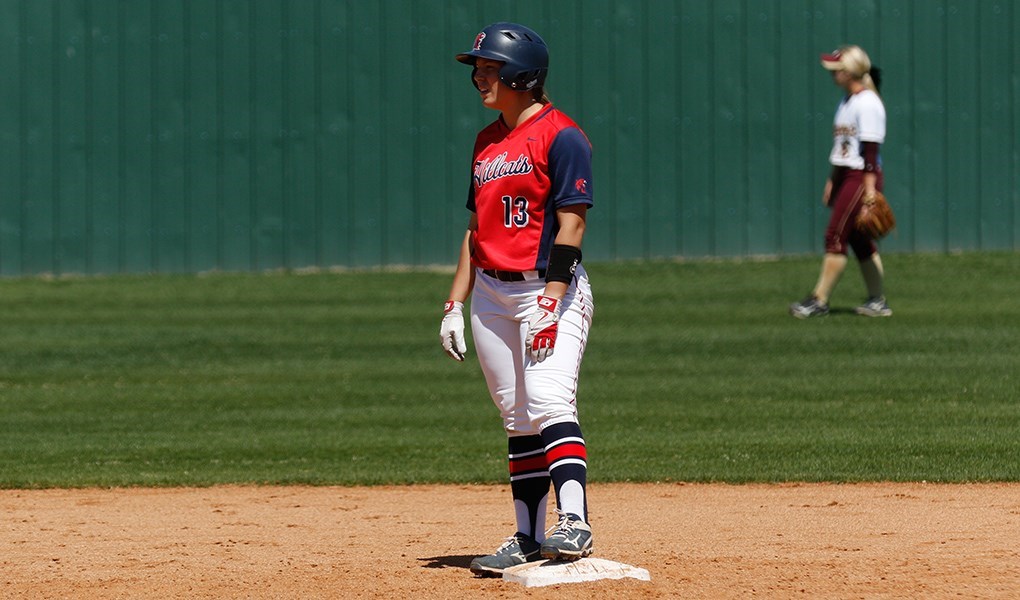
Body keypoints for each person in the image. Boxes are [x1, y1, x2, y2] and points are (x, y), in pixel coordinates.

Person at [438, 22, 596, 576]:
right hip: (489, 295)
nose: (479, 76)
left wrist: (554, 296)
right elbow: (474, 231)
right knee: (517, 418)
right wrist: (454, 304)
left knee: (551, 402)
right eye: (478, 69)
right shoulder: (486, 140)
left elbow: (571, 226)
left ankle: (574, 520)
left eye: (490, 68)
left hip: (545, 289)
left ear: (523, 76)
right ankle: (528, 536)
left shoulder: (563, 136)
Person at [790, 45, 892, 319]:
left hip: (861, 177)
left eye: (837, 69)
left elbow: (870, 151)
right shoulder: (847, 101)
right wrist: (832, 181)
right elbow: (842, 148)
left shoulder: (868, 102)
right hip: (847, 174)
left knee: (834, 235)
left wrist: (870, 192)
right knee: (859, 239)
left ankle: (819, 300)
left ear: (849, 72)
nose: (833, 74)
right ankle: (877, 302)